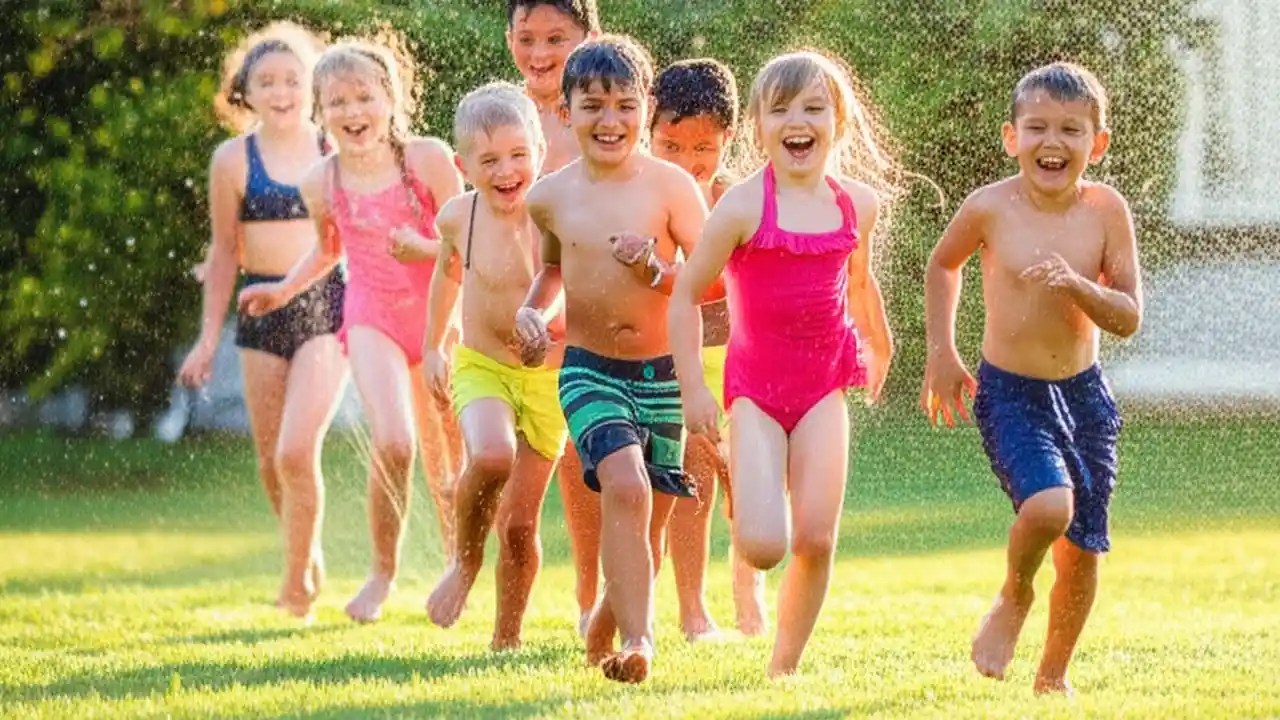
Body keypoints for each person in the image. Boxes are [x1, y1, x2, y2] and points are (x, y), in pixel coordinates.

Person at [668, 49, 898, 677]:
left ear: (839, 123)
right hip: (756, 392)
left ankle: (783, 668)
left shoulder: (857, 204)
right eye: (782, 110)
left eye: (814, 108)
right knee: (765, 545)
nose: (799, 121)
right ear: (758, 128)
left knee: (817, 538)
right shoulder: (742, 207)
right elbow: (687, 293)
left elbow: (859, 281)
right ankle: (757, 490)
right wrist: (694, 389)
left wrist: (880, 341)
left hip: (825, 382)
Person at [920, 61, 1142, 695]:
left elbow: (1128, 315)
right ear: (1010, 137)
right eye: (1038, 127)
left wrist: (1079, 287)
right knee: (1049, 507)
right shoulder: (990, 207)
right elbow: (943, 264)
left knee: (1083, 549)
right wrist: (942, 351)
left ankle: (1053, 678)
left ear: (1096, 144)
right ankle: (1014, 595)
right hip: (1011, 393)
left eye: (1072, 130)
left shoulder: (1105, 212)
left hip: (1085, 395)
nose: (1053, 142)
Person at [238, 38, 464, 623]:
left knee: (448, 458)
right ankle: (382, 574)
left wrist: (424, 249)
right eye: (337, 101)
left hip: (438, 315)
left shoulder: (427, 160)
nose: (352, 111)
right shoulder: (322, 181)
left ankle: (455, 567)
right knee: (394, 440)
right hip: (370, 318)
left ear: (391, 98)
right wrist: (284, 290)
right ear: (320, 111)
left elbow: (470, 239)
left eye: (365, 96)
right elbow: (328, 249)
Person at [513, 35, 715, 683]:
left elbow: (711, 283)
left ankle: (606, 623)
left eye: (625, 105)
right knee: (624, 485)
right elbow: (550, 271)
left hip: (661, 376)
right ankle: (641, 641)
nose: (610, 120)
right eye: (593, 105)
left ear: (647, 108)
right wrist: (532, 312)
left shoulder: (672, 188)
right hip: (590, 371)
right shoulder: (550, 196)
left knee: (649, 532)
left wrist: (655, 268)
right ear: (566, 112)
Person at [177, 22, 346, 619]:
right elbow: (225, 252)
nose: (280, 91)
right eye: (266, 81)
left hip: (324, 310)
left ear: (313, 86)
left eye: (292, 80)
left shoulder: (335, 149)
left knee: (297, 452)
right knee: (271, 462)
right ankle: (306, 549)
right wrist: (204, 342)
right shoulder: (231, 160)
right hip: (257, 313)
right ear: (243, 91)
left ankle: (295, 583)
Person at [422, 81, 567, 651]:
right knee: (488, 453)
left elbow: (567, 287)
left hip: (549, 380)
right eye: (489, 161)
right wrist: (435, 343)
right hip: (482, 365)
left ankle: (505, 639)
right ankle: (463, 561)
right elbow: (447, 276)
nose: (506, 170)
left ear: (539, 151)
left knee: (521, 525)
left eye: (517, 155)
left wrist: (548, 324)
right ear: (463, 166)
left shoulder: (555, 214)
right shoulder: (459, 217)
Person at [649, 57, 766, 640]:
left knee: (748, 482)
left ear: (728, 140)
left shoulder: (735, 198)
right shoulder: (641, 199)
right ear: (650, 133)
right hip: (678, 362)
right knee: (691, 479)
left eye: (703, 148)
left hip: (741, 359)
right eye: (672, 147)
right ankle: (693, 609)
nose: (688, 163)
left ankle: (749, 590)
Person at [504, 0, 602, 636]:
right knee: (509, 470)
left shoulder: (600, 110)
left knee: (586, 461)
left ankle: (591, 597)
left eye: (556, 38)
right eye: (526, 37)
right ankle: (504, 605)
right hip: (507, 313)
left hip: (586, 308)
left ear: (588, 35)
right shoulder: (499, 112)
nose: (540, 53)